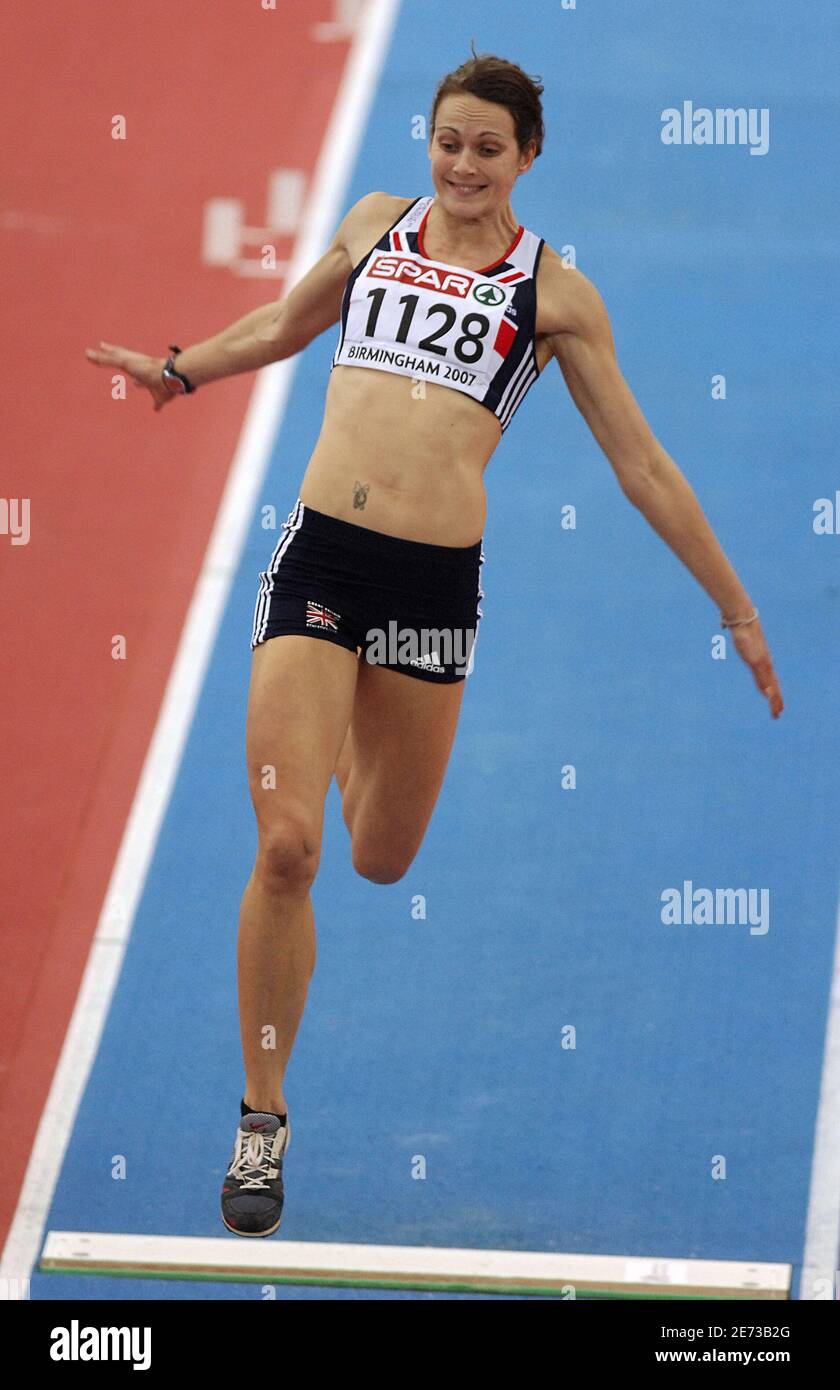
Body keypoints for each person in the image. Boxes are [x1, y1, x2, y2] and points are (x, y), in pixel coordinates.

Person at [85, 52, 784, 1239]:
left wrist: (737, 604)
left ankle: (353, 735)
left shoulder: (554, 297)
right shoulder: (375, 227)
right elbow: (281, 321)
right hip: (319, 563)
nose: (462, 164)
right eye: (449, 141)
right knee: (291, 847)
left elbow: (643, 466)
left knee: (378, 856)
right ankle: (262, 1114)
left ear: (527, 159)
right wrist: (177, 370)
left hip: (429, 590)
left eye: (488, 148)